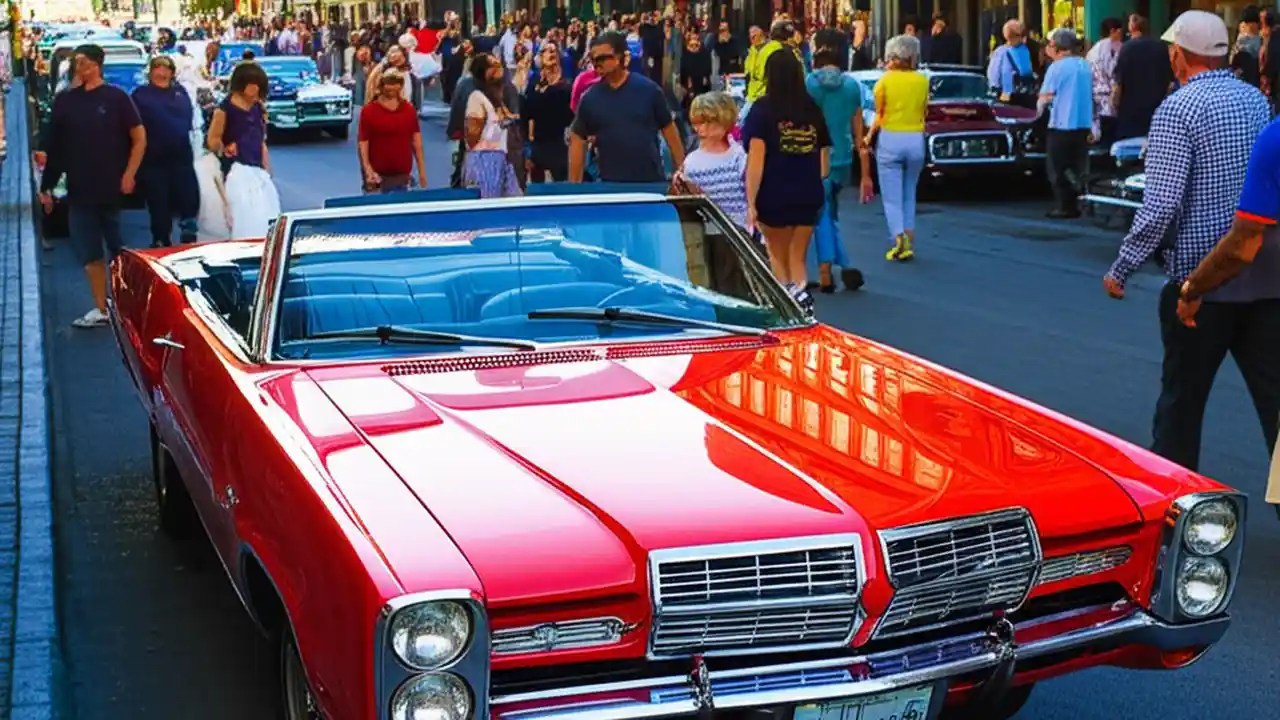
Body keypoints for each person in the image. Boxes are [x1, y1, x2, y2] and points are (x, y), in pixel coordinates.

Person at [1103, 10, 1272, 474]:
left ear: (1179, 55)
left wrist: (1122, 266)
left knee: (1181, 404)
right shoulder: (1255, 102)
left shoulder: (1177, 109)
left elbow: (1161, 205)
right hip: (1259, 271)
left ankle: (1178, 508)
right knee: (1274, 405)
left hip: (1200, 283)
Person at [38, 44, 146, 329]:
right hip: (79, 187)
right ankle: (101, 307)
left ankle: (128, 304)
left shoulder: (116, 98)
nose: (80, 67)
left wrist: (130, 174)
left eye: (84, 62)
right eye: (76, 63)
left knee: (117, 249)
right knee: (88, 250)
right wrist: (46, 187)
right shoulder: (66, 101)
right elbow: (55, 147)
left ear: (98, 64)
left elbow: (139, 137)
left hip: (111, 185)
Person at [742, 49, 830, 297]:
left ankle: (788, 311)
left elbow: (756, 161)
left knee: (776, 256)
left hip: (774, 194)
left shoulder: (762, 110)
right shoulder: (812, 109)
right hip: (808, 193)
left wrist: (751, 202)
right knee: (798, 258)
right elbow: (825, 164)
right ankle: (803, 304)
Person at [569, 32, 684, 183]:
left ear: (619, 57)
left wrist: (682, 171)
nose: (596, 63)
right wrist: (574, 186)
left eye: (602, 58)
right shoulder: (590, 98)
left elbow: (669, 130)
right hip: (610, 185)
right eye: (593, 58)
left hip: (650, 183)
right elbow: (577, 137)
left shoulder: (649, 90)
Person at [806, 48, 872, 292]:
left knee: (820, 215)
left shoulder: (810, 85)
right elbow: (859, 134)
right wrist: (865, 173)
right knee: (830, 212)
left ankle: (826, 269)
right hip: (843, 158)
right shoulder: (852, 87)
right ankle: (844, 265)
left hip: (815, 157)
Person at [868, 34, 927, 262]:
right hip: (915, 137)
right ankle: (910, 234)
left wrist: (868, 137)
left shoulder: (884, 81)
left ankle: (898, 237)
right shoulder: (922, 80)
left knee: (891, 195)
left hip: (891, 136)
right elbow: (924, 110)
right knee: (910, 190)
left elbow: (879, 113)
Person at [131, 55, 199, 247]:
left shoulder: (180, 93)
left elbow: (189, 120)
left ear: (172, 72)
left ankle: (189, 236)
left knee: (188, 198)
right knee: (159, 204)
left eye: (166, 68)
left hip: (182, 158)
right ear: (151, 72)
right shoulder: (140, 95)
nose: (162, 72)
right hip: (153, 160)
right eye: (157, 68)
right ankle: (161, 240)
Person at [1037, 28, 1095, 219]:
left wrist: (1037, 112)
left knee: (1058, 167)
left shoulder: (1056, 67)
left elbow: (1046, 97)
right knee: (1078, 165)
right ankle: (1080, 200)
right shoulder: (1085, 65)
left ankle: (1064, 205)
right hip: (1083, 122)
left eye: (1051, 44)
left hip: (1061, 122)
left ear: (1058, 47)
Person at [676, 92, 747, 226]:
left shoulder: (739, 156)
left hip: (739, 233)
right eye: (697, 122)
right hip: (707, 231)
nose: (701, 128)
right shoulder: (691, 162)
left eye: (708, 122)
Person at [463, 53, 522, 198]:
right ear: (482, 73)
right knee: (488, 205)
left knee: (515, 201)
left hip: (503, 158)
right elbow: (472, 137)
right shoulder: (477, 98)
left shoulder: (499, 100)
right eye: (491, 65)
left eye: (497, 63)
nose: (497, 66)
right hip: (483, 159)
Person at [359, 70, 427, 193]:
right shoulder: (369, 111)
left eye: (396, 83)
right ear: (381, 85)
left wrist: (422, 172)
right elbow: (363, 143)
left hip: (402, 176)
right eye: (388, 83)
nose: (392, 87)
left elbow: (416, 142)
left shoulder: (408, 110)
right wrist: (367, 169)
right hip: (377, 177)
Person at [1112, 14, 1173, 141]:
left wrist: (1114, 102)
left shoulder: (1127, 48)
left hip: (1130, 111)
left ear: (1133, 27)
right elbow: (1170, 82)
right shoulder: (1161, 47)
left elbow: (1119, 81)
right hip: (1156, 110)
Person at [206, 60, 270, 172]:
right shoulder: (223, 110)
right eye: (254, 85)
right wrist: (224, 149)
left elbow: (261, 141)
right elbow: (213, 140)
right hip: (233, 171)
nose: (257, 90)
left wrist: (266, 169)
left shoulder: (258, 108)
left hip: (256, 170)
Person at [523, 42, 573, 182]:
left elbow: (569, 114)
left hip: (560, 143)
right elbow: (527, 113)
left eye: (554, 50)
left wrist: (551, 88)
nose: (551, 53)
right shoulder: (534, 82)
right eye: (547, 50)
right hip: (538, 143)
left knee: (562, 185)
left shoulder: (566, 84)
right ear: (540, 56)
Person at [1088, 17, 1124, 147]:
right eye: (1120, 32)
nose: (1121, 36)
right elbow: (1114, 71)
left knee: (1099, 131)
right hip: (1110, 96)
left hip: (1095, 96)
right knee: (1111, 135)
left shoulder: (1093, 50)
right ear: (1112, 31)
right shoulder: (1114, 47)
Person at [987, 20, 1036, 108]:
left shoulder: (1028, 49)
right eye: (1020, 35)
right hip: (1007, 96)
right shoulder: (1000, 52)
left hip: (1026, 96)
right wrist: (998, 93)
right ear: (1009, 36)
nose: (1023, 39)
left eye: (1024, 35)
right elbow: (994, 76)